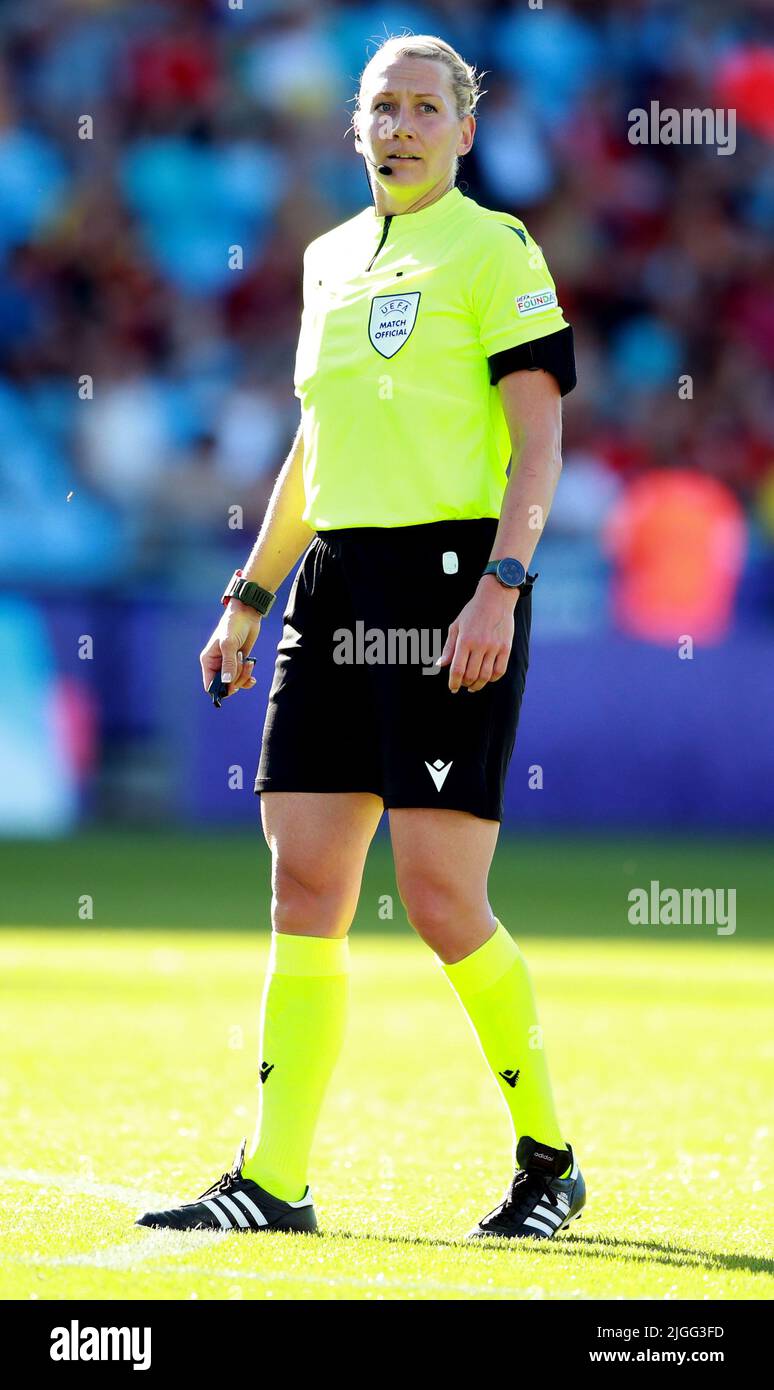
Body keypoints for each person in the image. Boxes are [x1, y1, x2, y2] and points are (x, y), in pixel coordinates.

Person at [136, 34, 585, 1241]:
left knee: (440, 897)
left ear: (464, 131)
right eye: (382, 106)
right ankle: (275, 1180)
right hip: (333, 584)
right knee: (306, 881)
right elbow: (313, 454)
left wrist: (502, 583)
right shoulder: (329, 260)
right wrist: (249, 593)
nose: (400, 126)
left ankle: (548, 1155)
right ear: (354, 126)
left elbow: (537, 447)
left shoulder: (498, 250)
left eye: (424, 108)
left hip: (450, 579)